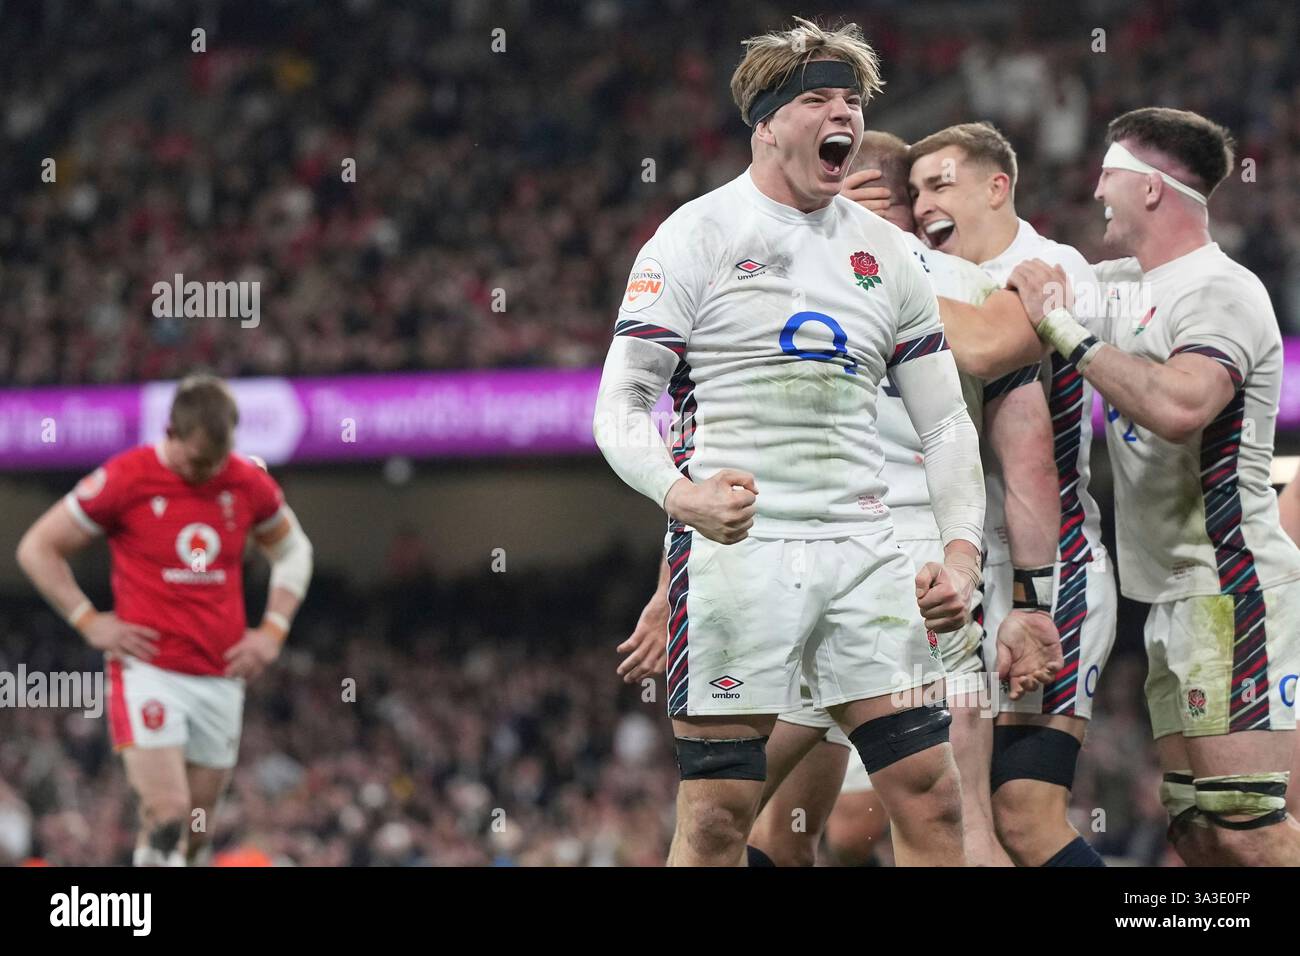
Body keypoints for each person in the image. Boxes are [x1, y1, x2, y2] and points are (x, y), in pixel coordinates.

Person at [594, 17, 986, 866]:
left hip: (865, 555)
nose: (840, 113)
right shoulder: (695, 236)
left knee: (932, 800)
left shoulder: (888, 255)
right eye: (817, 99)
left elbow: (946, 422)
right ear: (767, 123)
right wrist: (681, 494)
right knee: (717, 821)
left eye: (852, 100)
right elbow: (622, 402)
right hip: (741, 560)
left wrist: (960, 557)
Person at [1011, 107, 1300, 866]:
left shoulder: (1220, 291)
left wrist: (1066, 334)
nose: (1096, 188)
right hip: (1174, 598)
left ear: (1150, 190)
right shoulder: (1116, 286)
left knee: (1250, 826)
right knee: (1198, 830)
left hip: (1230, 592)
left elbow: (1179, 406)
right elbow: (1030, 280)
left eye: (1110, 174)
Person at [907, 122, 1118, 866]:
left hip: (1051, 576)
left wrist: (865, 283)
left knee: (1023, 817)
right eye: (914, 192)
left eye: (940, 182)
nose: (922, 201)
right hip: (963, 579)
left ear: (998, 186)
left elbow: (989, 348)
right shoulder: (938, 274)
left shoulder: (1051, 268)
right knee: (954, 815)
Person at [15, 374, 313, 866]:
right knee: (168, 812)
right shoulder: (127, 478)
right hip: (148, 672)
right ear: (170, 433)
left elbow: (294, 551)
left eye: (217, 459)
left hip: (220, 677)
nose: (208, 471)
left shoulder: (244, 480)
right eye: (198, 460)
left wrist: (273, 631)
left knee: (197, 831)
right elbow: (37, 547)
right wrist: (89, 621)